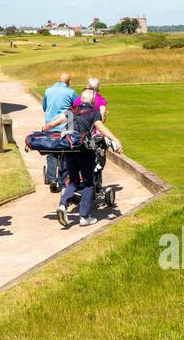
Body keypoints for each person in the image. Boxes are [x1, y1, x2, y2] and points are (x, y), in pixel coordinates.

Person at [42, 88, 122, 227]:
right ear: (92, 101)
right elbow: (101, 128)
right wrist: (116, 140)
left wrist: (45, 129)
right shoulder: (93, 112)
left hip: (69, 150)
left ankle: (63, 205)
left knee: (73, 182)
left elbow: (54, 123)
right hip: (85, 151)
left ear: (81, 99)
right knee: (88, 183)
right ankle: (84, 217)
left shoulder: (73, 110)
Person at [40, 72, 77, 191]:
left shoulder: (48, 90)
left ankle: (52, 179)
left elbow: (45, 107)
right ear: (68, 82)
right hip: (65, 127)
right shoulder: (71, 92)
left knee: (51, 152)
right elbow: (78, 107)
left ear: (58, 80)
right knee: (65, 154)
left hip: (50, 126)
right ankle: (62, 181)